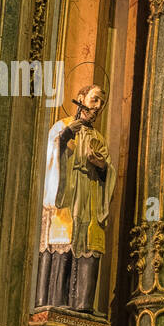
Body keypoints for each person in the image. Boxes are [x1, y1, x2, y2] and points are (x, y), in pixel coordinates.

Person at [35, 83, 115, 313]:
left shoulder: (98, 138)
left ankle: (82, 305)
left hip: (89, 198)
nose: (98, 106)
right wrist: (65, 138)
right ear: (80, 98)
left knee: (89, 243)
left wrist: (102, 167)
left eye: (101, 102)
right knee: (62, 241)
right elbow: (50, 157)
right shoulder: (62, 127)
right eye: (94, 100)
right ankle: (55, 302)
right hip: (67, 195)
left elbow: (107, 172)